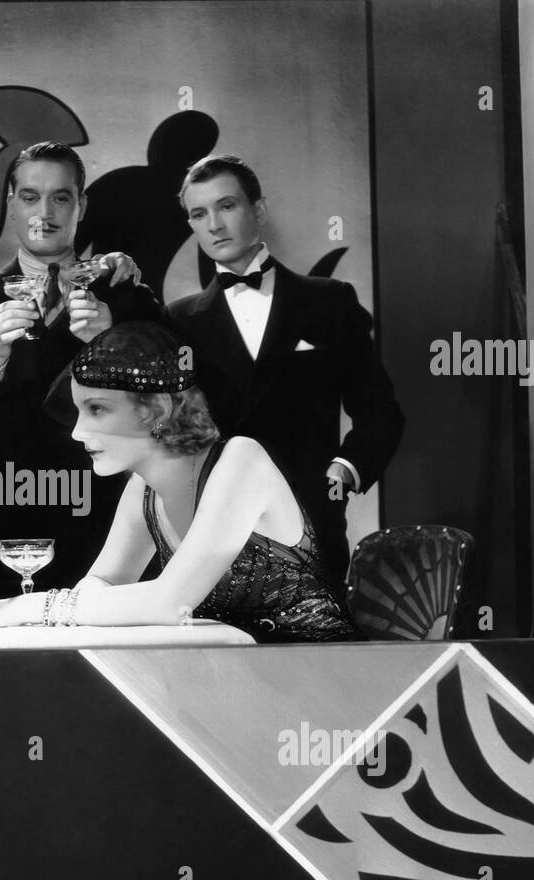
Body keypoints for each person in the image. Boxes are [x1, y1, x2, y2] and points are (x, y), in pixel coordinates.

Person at [0, 322, 362, 643]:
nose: (77, 432)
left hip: (321, 683)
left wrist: (28, 606)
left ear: (154, 409)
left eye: (97, 410)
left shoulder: (240, 459)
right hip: (231, 682)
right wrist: (15, 611)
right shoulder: (144, 487)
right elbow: (102, 586)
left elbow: (167, 604)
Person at [164, 154, 404, 584]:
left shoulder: (329, 301)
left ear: (257, 210)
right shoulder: (178, 320)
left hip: (311, 524)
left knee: (311, 652)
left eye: (227, 206)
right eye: (199, 214)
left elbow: (381, 413)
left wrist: (341, 476)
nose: (214, 224)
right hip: (213, 536)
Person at [0, 141, 160, 590]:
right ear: (11, 204)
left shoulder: (127, 297)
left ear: (80, 204)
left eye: (61, 197)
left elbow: (165, 416)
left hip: (104, 532)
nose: (45, 212)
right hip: (2, 531)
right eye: (29, 197)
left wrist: (109, 348)